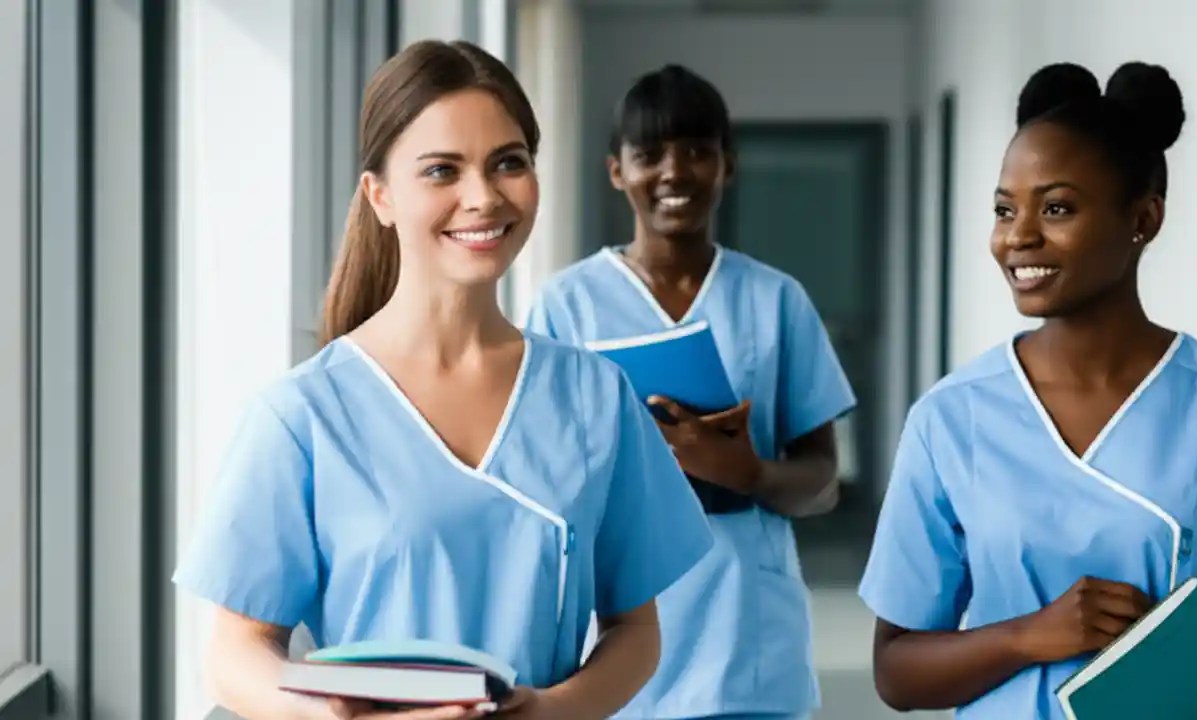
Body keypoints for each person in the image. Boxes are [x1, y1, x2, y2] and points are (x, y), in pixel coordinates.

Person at [172, 41, 713, 720]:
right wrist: (332, 715)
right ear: (381, 196)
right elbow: (233, 653)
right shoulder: (304, 415)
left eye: (508, 164)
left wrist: (547, 711)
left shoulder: (595, 397)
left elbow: (636, 633)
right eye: (441, 171)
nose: (483, 198)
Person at [858, 61, 1197, 719]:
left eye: (1056, 208)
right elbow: (896, 671)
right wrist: (1029, 636)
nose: (1017, 236)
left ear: (1143, 218)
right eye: (1005, 209)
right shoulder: (951, 418)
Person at [525, 64, 856, 720]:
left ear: (727, 166)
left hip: (746, 644)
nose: (674, 172)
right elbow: (537, 478)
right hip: (615, 641)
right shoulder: (567, 306)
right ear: (617, 170)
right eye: (649, 155)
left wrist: (750, 471)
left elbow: (823, 483)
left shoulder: (776, 300)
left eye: (697, 152)